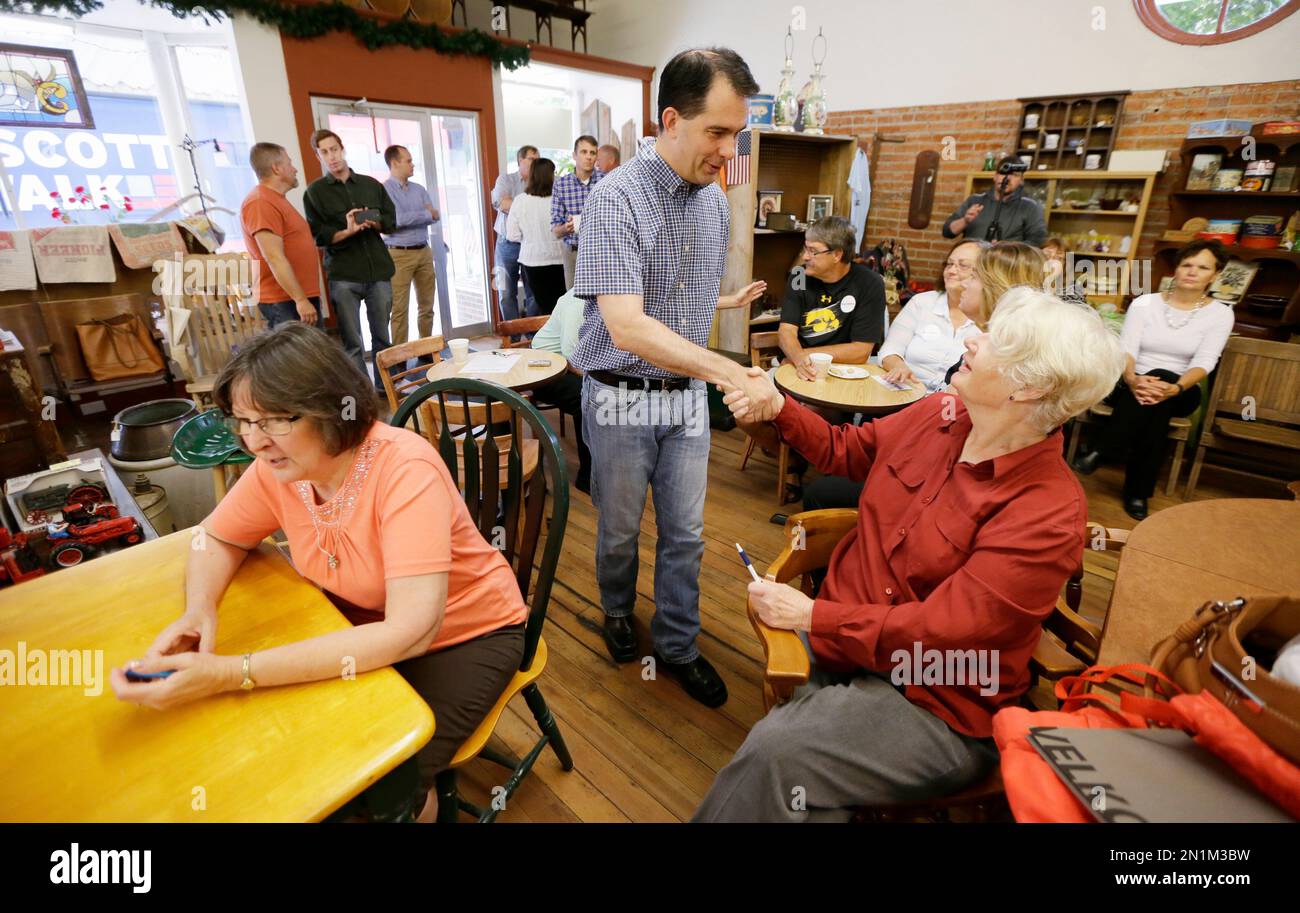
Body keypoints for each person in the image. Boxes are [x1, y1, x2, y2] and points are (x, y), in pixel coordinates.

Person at [696, 289, 1126, 821]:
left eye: (992, 339)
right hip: (844, 650)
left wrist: (812, 614)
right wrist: (781, 408)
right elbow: (845, 450)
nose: (970, 337)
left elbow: (945, 631)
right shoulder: (939, 412)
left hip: (933, 698)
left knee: (779, 753)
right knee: (803, 790)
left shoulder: (1046, 510)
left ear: (1028, 387)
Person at [111, 323, 528, 824]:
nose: (253, 440)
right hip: (354, 624)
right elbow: (214, 537)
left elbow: (409, 633)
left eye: (273, 421)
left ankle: (416, 800)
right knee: (291, 751)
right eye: (243, 421)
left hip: (465, 632)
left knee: (379, 776)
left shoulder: (403, 469)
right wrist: (200, 610)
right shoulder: (280, 468)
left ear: (330, 409)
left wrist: (232, 672)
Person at [573, 46, 765, 708]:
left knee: (685, 532)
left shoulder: (714, 205)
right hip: (620, 395)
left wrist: (725, 311)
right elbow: (627, 326)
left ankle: (679, 645)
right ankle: (618, 611)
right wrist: (732, 372)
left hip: (683, 400)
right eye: (717, 131)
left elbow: (682, 304)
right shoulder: (614, 198)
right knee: (621, 528)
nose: (727, 148)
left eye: (736, 133)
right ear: (670, 119)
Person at [1072, 239, 1233, 520]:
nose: (1192, 272)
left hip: (1181, 389)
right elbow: (1127, 349)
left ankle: (1102, 450)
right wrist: (1134, 379)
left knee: (1162, 381)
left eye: (1203, 267)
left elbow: (1205, 361)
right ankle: (1137, 492)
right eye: (1187, 264)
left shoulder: (1220, 314)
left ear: (1216, 274)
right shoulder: (1145, 304)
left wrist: (1175, 387)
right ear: (1177, 269)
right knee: (1155, 407)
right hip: (1126, 382)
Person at [303, 128, 396, 391]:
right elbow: (319, 236)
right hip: (344, 275)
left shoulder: (371, 185)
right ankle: (362, 392)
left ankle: (385, 389)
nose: (331, 156)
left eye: (334, 149)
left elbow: (391, 222)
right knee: (352, 341)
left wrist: (373, 222)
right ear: (318, 155)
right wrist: (347, 231)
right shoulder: (315, 193)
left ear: (342, 149)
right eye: (324, 152)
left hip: (377, 271)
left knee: (382, 337)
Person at [778, 215, 886, 381]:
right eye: (805, 248)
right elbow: (786, 331)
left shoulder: (870, 283)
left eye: (813, 251)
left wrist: (800, 356)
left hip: (843, 372)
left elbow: (861, 351)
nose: (805, 257)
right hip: (798, 369)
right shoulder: (799, 276)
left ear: (837, 255)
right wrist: (799, 360)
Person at [878, 238, 986, 393]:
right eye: (949, 264)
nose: (951, 271)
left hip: (954, 405)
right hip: (906, 394)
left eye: (962, 265)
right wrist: (899, 366)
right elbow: (889, 350)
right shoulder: (922, 302)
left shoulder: (991, 317)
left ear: (984, 273)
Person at [240, 142, 322, 329]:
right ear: (277, 168)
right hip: (284, 302)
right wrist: (300, 299)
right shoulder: (261, 202)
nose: (295, 169)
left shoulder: (275, 200)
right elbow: (274, 257)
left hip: (296, 299)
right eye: (289, 163)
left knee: (313, 357)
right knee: (296, 358)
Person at [530, 287, 591, 492]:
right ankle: (588, 476)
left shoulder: (605, 298)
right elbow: (573, 357)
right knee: (587, 397)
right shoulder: (578, 302)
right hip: (543, 369)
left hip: (566, 364)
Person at [382, 144, 440, 345]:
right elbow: (394, 220)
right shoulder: (384, 190)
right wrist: (424, 214)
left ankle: (425, 350)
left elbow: (436, 215)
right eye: (408, 161)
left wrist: (425, 215)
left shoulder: (419, 189)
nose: (412, 164)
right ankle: (400, 359)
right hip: (398, 255)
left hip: (423, 251)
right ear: (395, 163)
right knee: (399, 309)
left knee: (427, 306)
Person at [506, 158, 568, 316]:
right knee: (561, 306)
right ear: (551, 175)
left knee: (543, 307)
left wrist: (531, 239)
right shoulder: (559, 199)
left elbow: (512, 235)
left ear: (532, 175)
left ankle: (542, 338)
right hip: (559, 259)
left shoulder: (520, 201)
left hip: (532, 261)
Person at [943, 155, 1047, 246]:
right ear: (995, 176)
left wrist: (1006, 249)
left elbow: (1038, 242)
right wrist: (964, 221)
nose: (1007, 178)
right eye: (1003, 173)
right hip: (972, 264)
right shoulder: (975, 199)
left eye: (1014, 175)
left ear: (1021, 180)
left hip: (1005, 266)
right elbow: (947, 232)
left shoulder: (1031, 207)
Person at [492, 145, 539, 321]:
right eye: (532, 159)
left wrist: (518, 207)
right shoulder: (506, 180)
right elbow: (503, 204)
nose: (536, 163)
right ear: (520, 160)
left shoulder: (542, 183)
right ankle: (512, 338)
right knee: (505, 292)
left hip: (531, 243)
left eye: (538, 160)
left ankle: (534, 336)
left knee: (533, 292)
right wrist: (532, 209)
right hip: (506, 245)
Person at [551, 134, 604, 287]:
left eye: (592, 153)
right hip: (573, 253)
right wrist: (566, 228)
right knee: (572, 302)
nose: (588, 157)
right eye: (584, 152)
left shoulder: (606, 180)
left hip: (602, 250)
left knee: (603, 302)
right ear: (574, 155)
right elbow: (555, 230)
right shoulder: (561, 185)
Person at [1041, 236, 1088, 304]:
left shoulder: (1074, 292)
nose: (1051, 261)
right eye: (1046, 255)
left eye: (1058, 258)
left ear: (1065, 264)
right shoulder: (1028, 286)